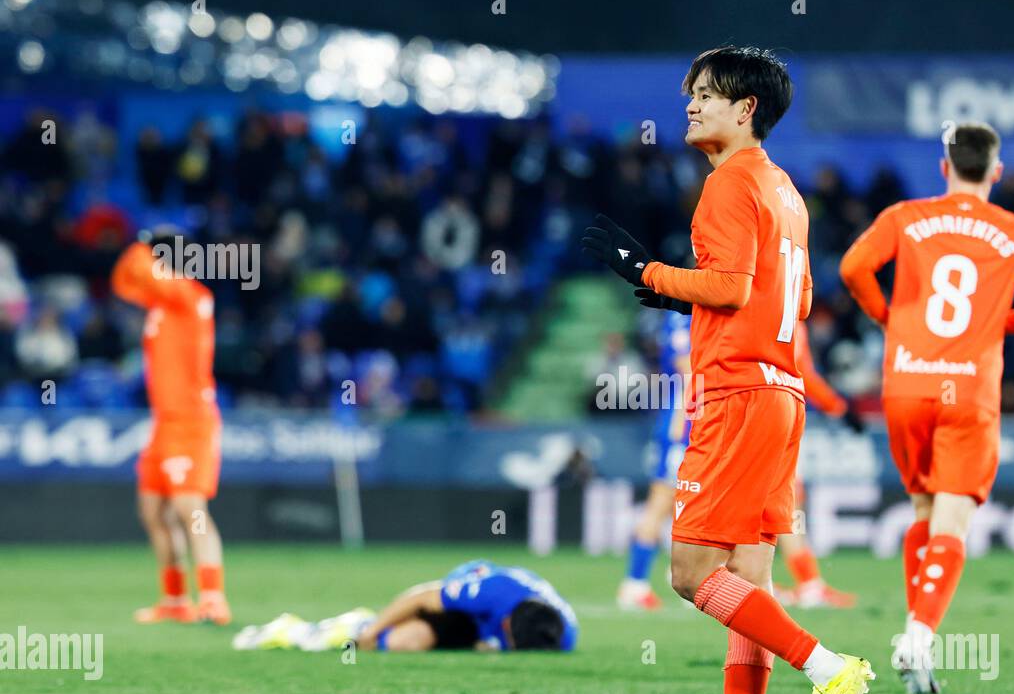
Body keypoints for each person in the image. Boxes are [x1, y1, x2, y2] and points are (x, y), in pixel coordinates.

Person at [582, 46, 873, 694]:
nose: (691, 104)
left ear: (746, 110)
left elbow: (735, 287)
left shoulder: (726, 184)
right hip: (781, 393)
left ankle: (829, 667)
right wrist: (678, 290)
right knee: (749, 578)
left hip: (736, 393)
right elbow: (794, 300)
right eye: (692, 93)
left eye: (707, 95)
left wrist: (644, 270)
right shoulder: (786, 192)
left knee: (687, 574)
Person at [839, 122, 1014, 694]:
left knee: (921, 510)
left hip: (908, 385)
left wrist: (887, 318)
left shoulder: (905, 216)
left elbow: (851, 269)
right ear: (996, 171)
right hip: (966, 389)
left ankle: (918, 644)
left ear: (944, 169)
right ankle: (918, 635)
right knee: (952, 520)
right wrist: (998, 325)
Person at [111, 233, 229, 626]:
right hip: (163, 422)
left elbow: (137, 267)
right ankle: (175, 600)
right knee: (153, 510)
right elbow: (122, 280)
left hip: (192, 421)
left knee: (189, 509)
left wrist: (142, 243)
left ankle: (212, 598)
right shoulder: (161, 302)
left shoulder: (188, 295)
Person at [234, 559, 578, 653]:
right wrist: (372, 633)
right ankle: (312, 630)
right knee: (405, 641)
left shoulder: (562, 632)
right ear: (504, 628)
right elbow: (420, 596)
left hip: (489, 624)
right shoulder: (488, 591)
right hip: (470, 600)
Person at [774, 319, 860, 608]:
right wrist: (838, 407)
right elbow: (803, 372)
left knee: (780, 506)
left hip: (750, 414)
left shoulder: (744, 302)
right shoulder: (788, 316)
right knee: (785, 504)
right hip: (773, 418)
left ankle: (725, 576)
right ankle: (714, 575)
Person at [616, 310, 691, 611]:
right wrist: (679, 430)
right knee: (661, 501)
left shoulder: (678, 317)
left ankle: (683, 572)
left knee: (687, 503)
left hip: (684, 424)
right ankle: (634, 583)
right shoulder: (684, 319)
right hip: (683, 426)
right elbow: (690, 373)